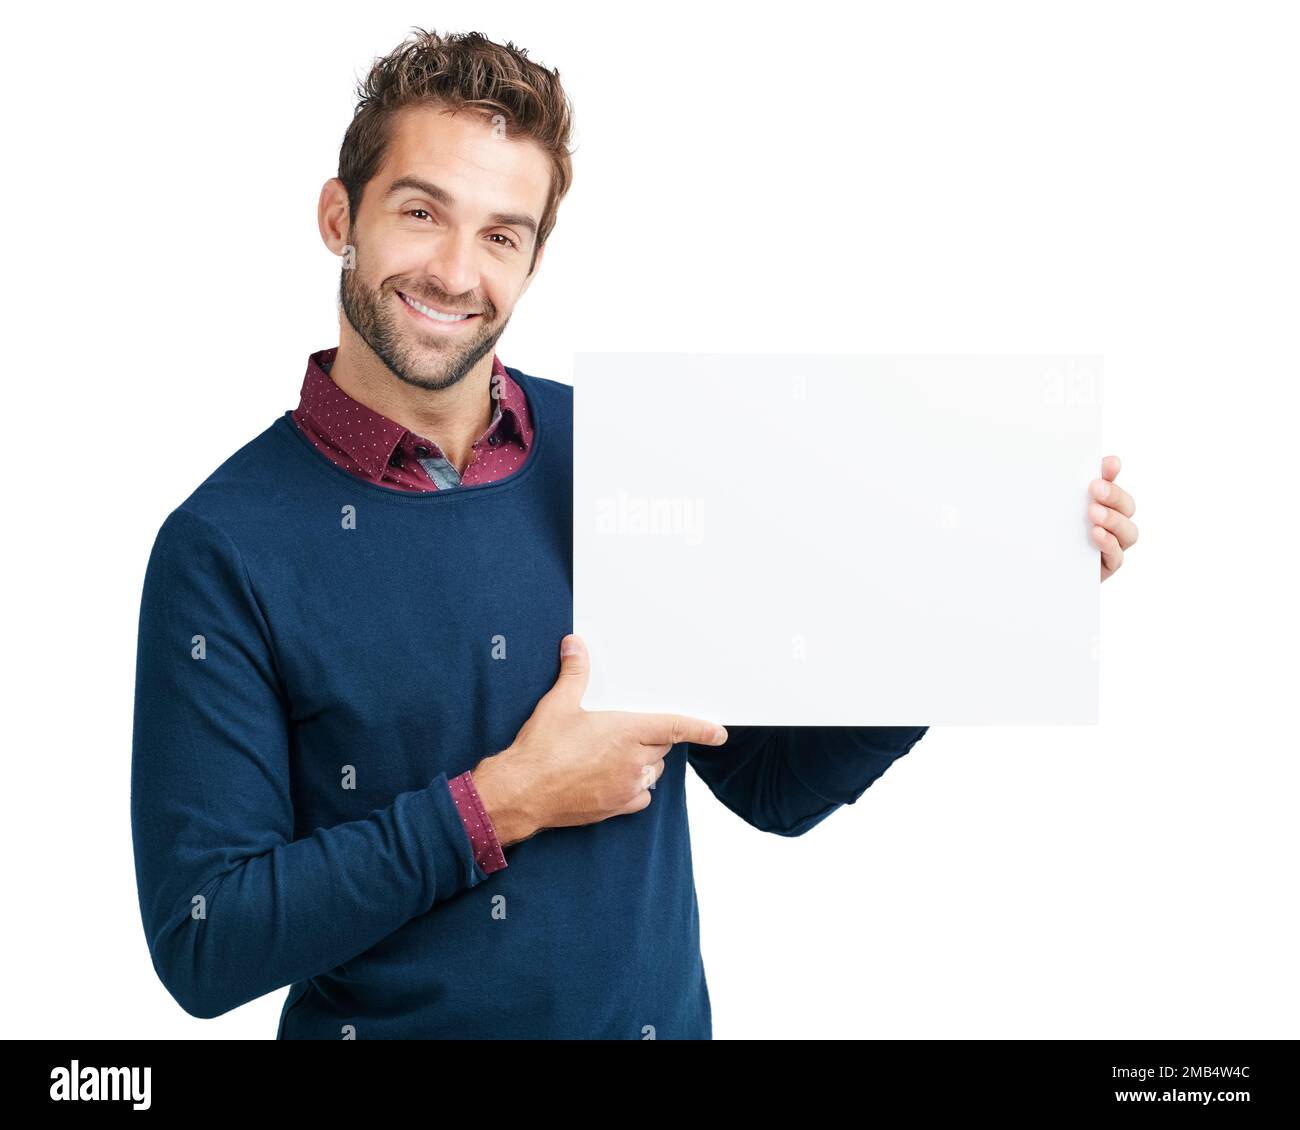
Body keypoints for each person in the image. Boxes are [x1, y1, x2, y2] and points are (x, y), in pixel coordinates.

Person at [129, 28, 1139, 1040]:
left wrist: (971, 606)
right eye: (421, 211)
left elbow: (769, 783)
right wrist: (504, 801)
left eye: (500, 234)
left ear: (532, 258)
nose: (453, 269)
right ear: (338, 214)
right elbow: (205, 938)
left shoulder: (625, 453)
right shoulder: (222, 547)